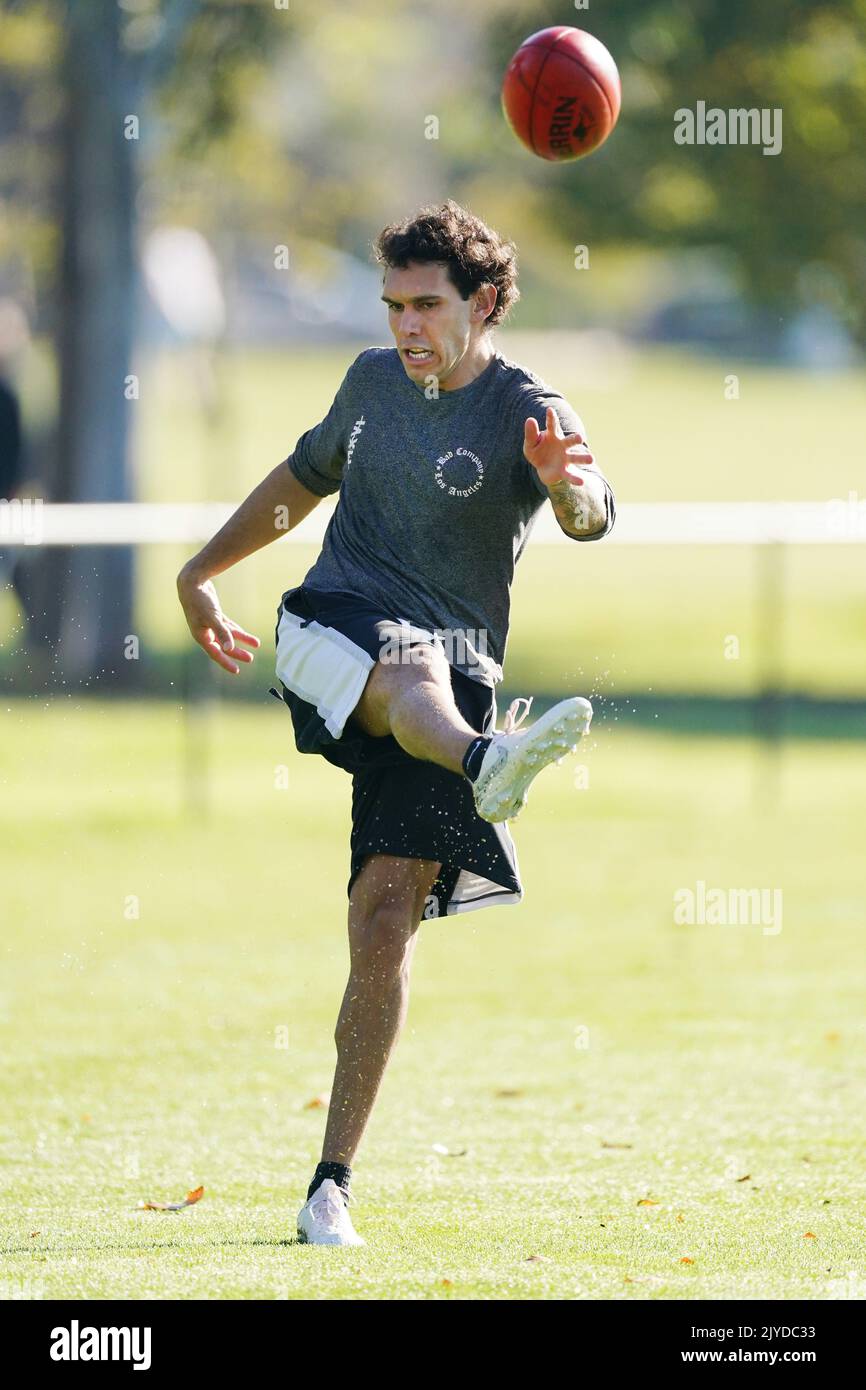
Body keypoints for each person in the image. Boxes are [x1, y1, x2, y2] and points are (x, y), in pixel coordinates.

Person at [177, 201, 616, 1246]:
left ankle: (328, 1183)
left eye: (427, 305)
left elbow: (593, 507)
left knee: (382, 921)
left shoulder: (527, 405)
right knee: (404, 659)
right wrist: (202, 572)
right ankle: (488, 761)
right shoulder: (372, 383)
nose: (406, 325)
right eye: (394, 305)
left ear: (486, 303)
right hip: (329, 627)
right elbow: (301, 480)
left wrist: (567, 494)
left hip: (451, 675)